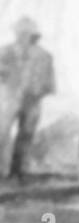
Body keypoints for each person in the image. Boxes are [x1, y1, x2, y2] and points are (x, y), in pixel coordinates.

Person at [0, 17, 56, 180]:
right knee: (2, 132)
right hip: (9, 99)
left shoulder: (45, 56)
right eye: (20, 32)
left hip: (32, 101)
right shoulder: (5, 51)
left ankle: (18, 171)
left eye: (27, 33)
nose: (22, 36)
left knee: (26, 135)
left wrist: (38, 93)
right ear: (16, 33)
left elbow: (50, 82)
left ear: (34, 35)